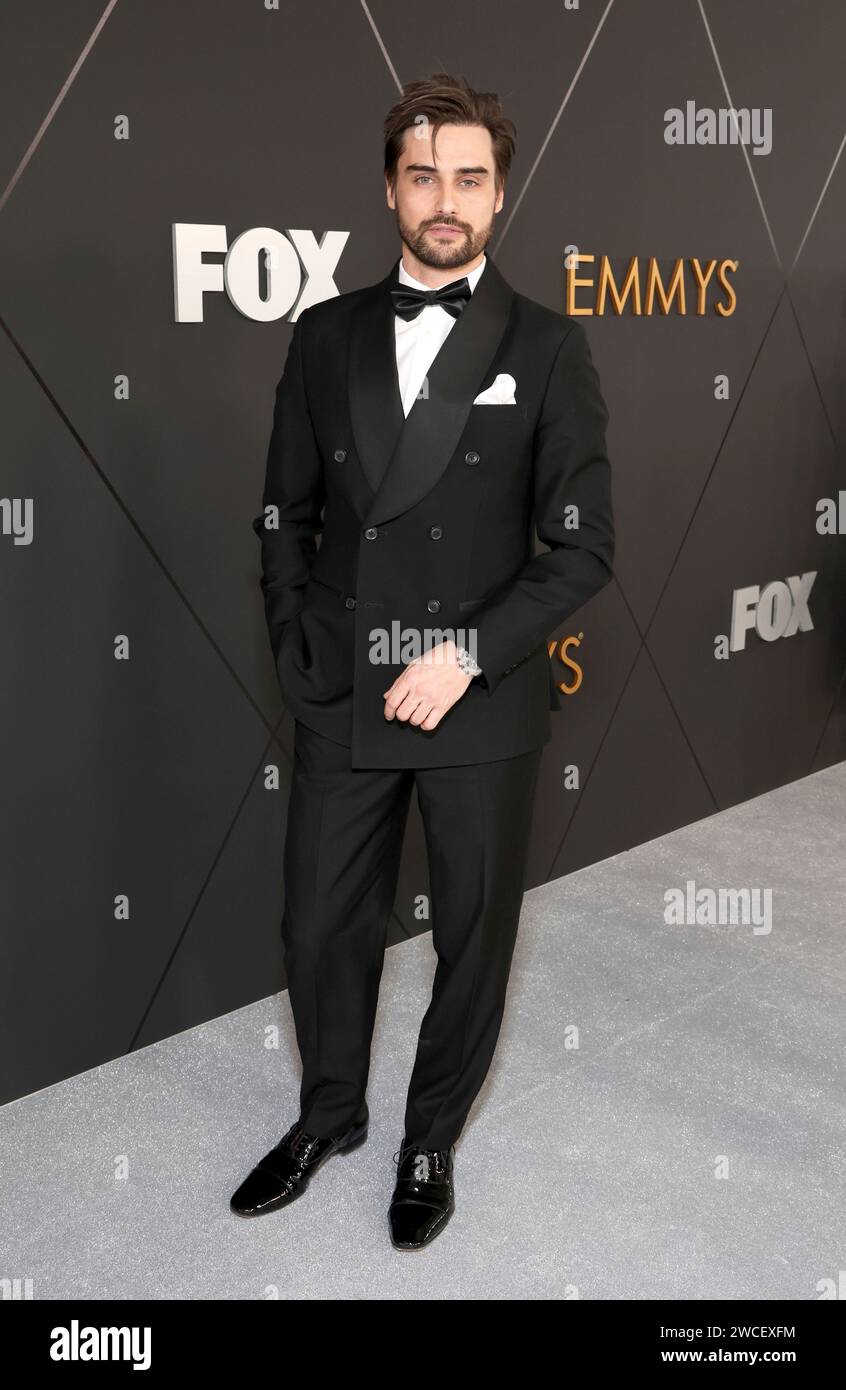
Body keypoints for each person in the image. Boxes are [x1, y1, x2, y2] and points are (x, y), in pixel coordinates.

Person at [230, 72, 615, 1249]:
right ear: (390, 190)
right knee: (317, 924)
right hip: (345, 681)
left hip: (477, 690)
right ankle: (328, 1114)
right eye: (423, 176)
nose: (446, 200)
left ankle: (431, 1137)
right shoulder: (324, 334)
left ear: (499, 197)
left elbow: (582, 547)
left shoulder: (548, 346)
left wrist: (466, 653)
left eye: (469, 179)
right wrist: (296, 636)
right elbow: (285, 512)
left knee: (471, 937)